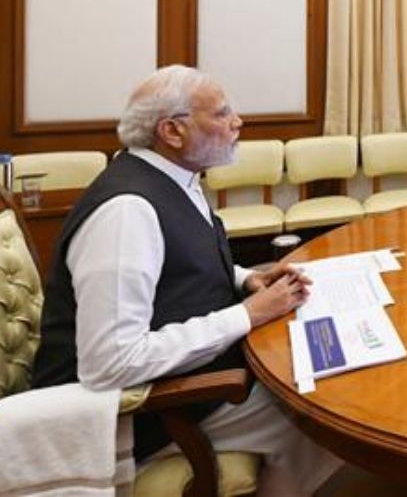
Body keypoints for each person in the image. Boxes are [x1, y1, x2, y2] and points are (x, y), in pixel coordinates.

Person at [32, 66, 342, 497]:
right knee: (321, 412)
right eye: (222, 113)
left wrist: (248, 280)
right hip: (136, 414)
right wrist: (248, 314)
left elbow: (177, 265)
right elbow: (109, 364)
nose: (238, 122)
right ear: (172, 131)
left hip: (189, 376)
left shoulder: (174, 178)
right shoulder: (127, 211)